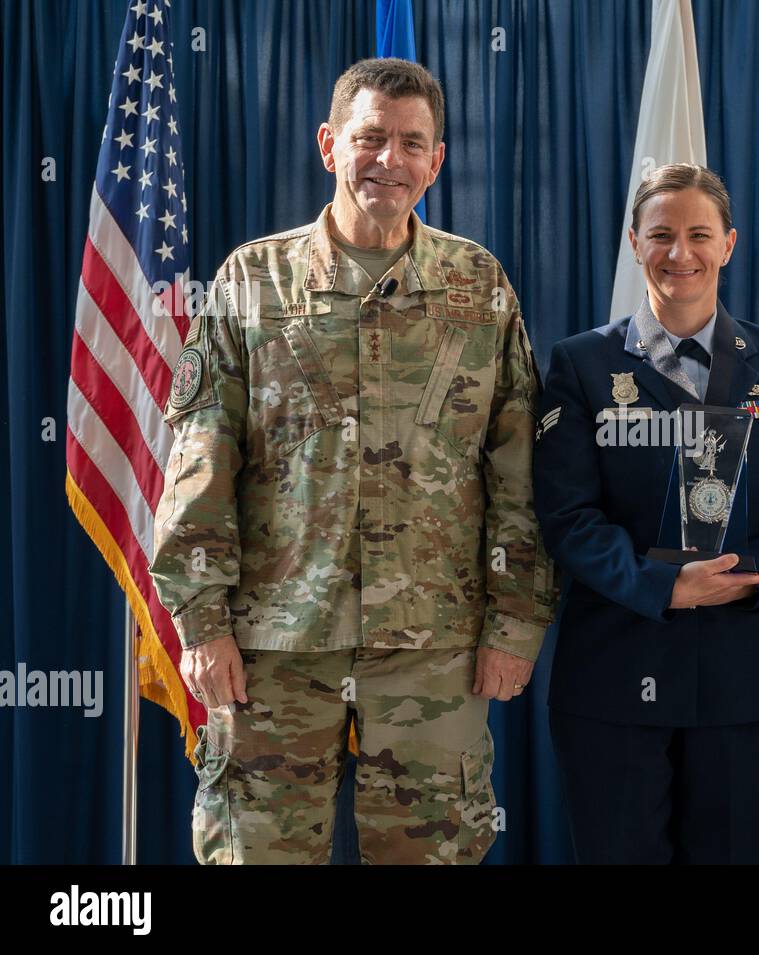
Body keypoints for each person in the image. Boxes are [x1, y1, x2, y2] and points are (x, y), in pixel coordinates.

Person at [149, 58, 554, 865]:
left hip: (433, 645)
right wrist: (201, 622)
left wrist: (516, 620)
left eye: (412, 143)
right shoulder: (251, 282)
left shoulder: (479, 287)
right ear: (330, 144)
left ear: (437, 160)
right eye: (370, 138)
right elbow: (201, 465)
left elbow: (519, 473)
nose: (390, 161)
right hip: (273, 644)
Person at [533, 163, 759, 864]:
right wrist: (664, 584)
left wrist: (747, 573)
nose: (681, 253)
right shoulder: (581, 366)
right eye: (662, 235)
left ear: (729, 243)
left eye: (699, 234)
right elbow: (566, 517)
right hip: (614, 675)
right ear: (633, 243)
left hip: (747, 678)